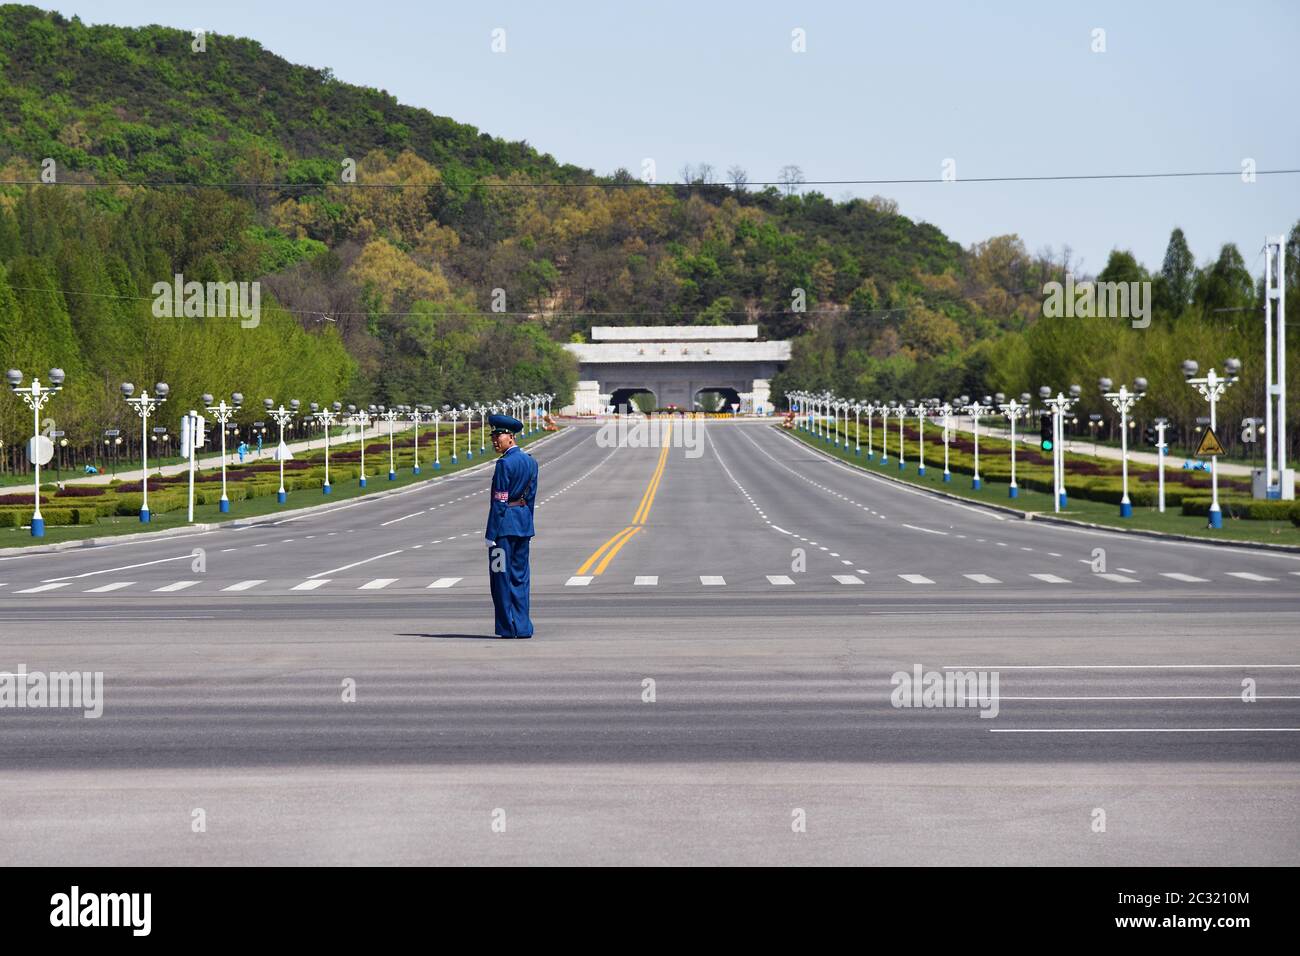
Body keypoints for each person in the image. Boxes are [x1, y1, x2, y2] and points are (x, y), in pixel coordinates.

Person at [484, 413, 538, 638]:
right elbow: (532, 498)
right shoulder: (531, 462)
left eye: (499, 436)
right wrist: (527, 521)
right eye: (493, 437)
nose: (495, 441)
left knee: (500, 578)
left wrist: (491, 533)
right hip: (523, 525)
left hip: (504, 529)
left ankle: (508, 627)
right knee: (520, 577)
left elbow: (499, 501)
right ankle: (523, 626)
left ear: (511, 437)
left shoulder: (504, 464)